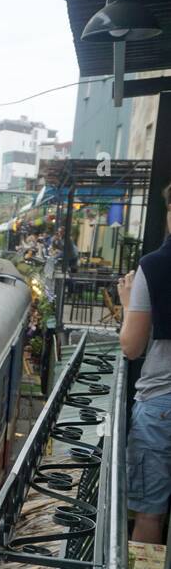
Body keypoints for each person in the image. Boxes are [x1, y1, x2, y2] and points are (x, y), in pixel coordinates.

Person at [119, 182, 171, 544]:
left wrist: (126, 304)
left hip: (161, 407)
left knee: (149, 516)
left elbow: (131, 347)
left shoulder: (153, 267)